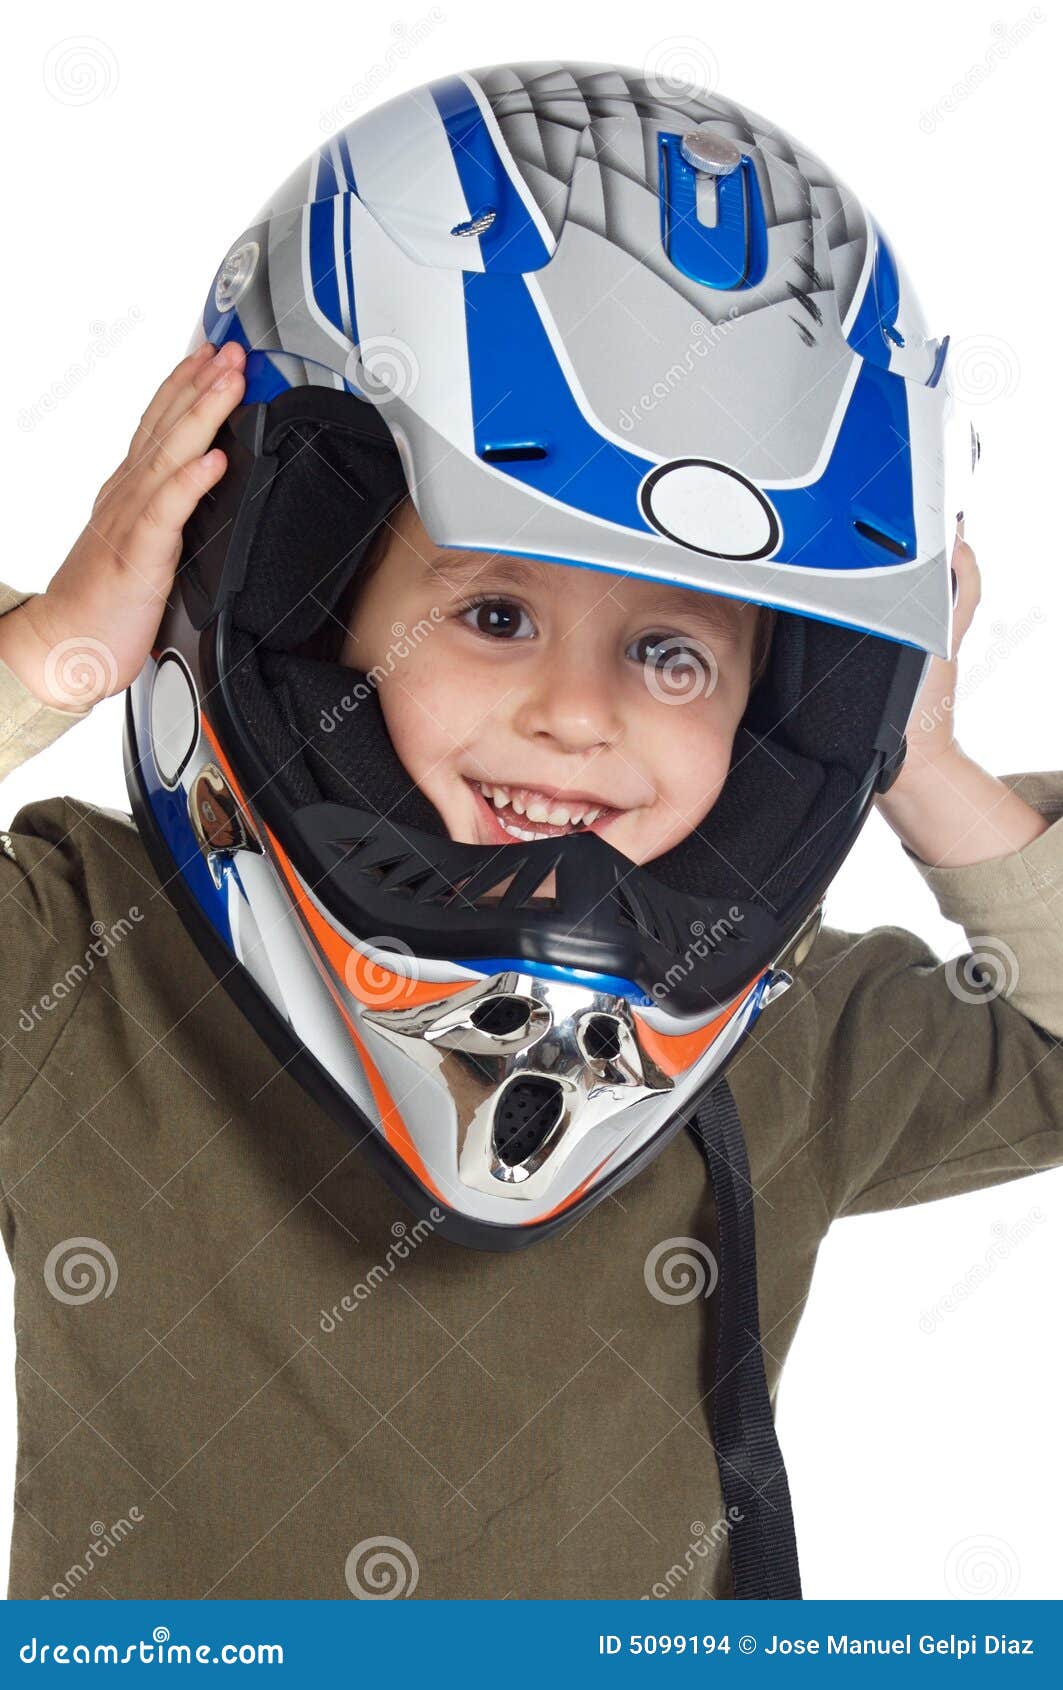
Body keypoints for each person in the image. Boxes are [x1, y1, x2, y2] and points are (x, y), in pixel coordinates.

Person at [1, 60, 1062, 1602]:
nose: (583, 714)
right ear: (294, 606)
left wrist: (920, 758)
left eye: (673, 653)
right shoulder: (81, 970)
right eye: (496, 612)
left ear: (791, 713)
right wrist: (57, 649)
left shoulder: (790, 1030)